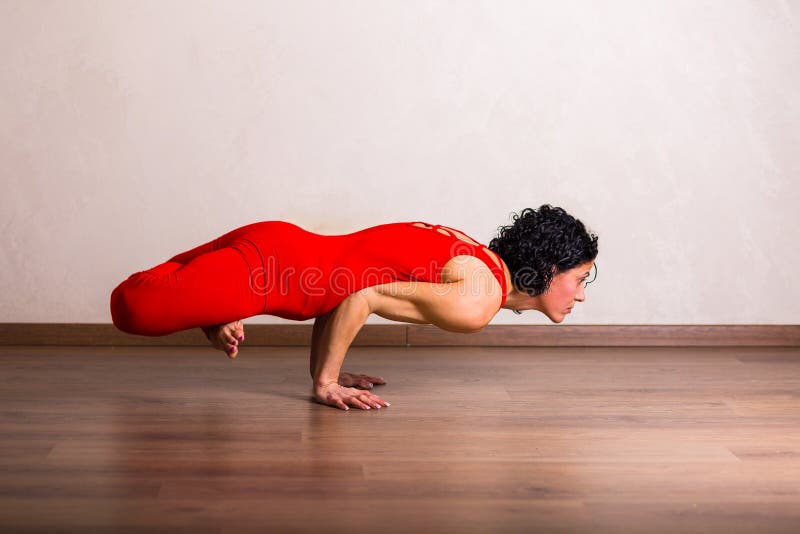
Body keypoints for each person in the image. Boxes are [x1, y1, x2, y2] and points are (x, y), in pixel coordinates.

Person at [110, 204, 598, 411]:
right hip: (267, 273)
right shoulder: (478, 299)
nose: (579, 294)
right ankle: (213, 315)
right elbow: (360, 296)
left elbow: (356, 284)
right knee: (129, 306)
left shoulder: (476, 255)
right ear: (549, 268)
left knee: (166, 276)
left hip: (277, 246)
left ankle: (214, 315)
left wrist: (330, 371)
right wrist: (325, 383)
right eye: (578, 279)